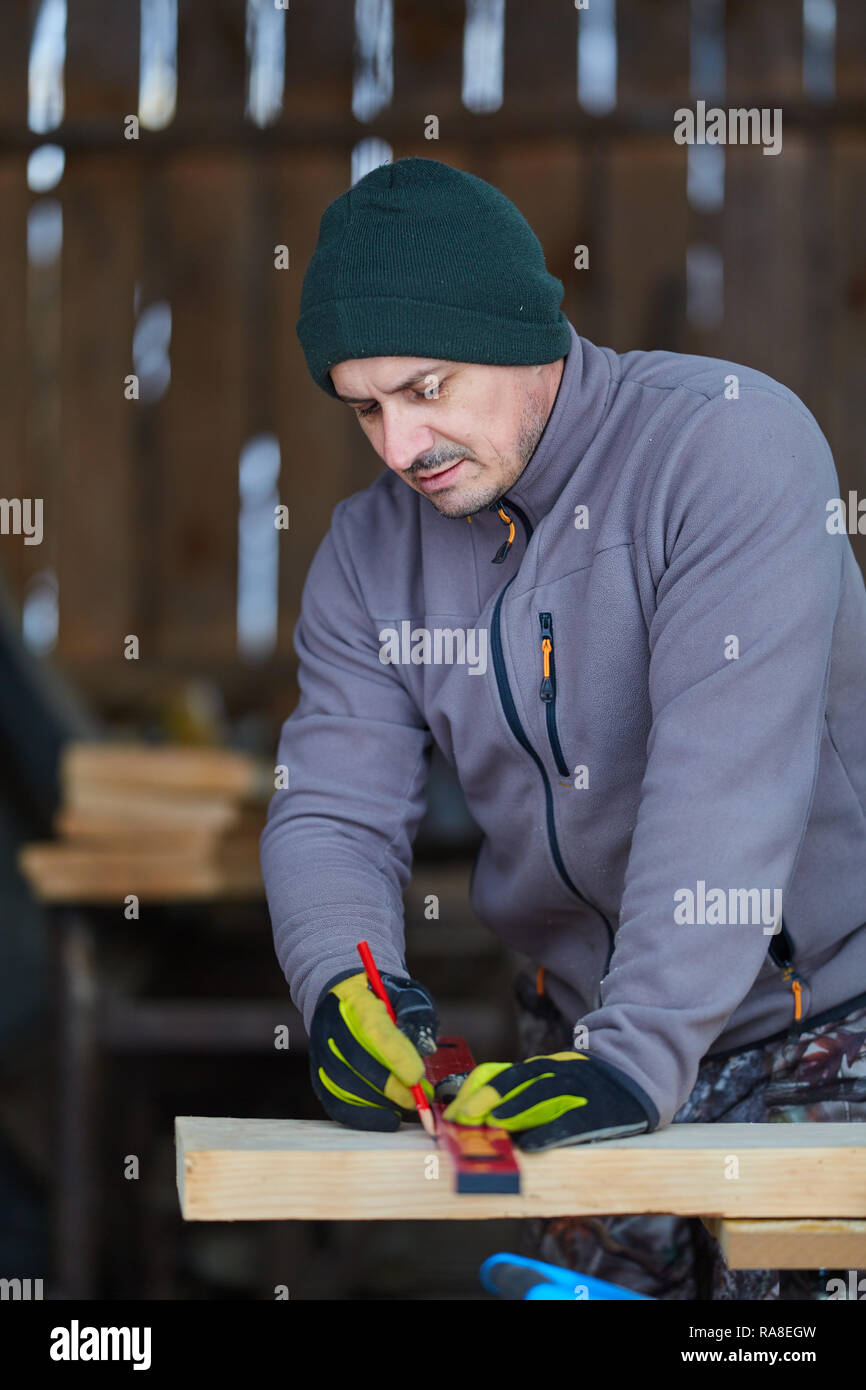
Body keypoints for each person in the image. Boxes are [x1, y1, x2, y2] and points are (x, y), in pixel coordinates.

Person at [260, 156, 866, 1299]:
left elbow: (721, 784)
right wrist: (345, 982)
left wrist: (637, 1057)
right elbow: (332, 807)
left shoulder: (728, 449)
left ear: (522, 332)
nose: (399, 447)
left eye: (426, 387)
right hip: (579, 1039)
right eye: (366, 409)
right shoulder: (365, 555)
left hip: (821, 1025)